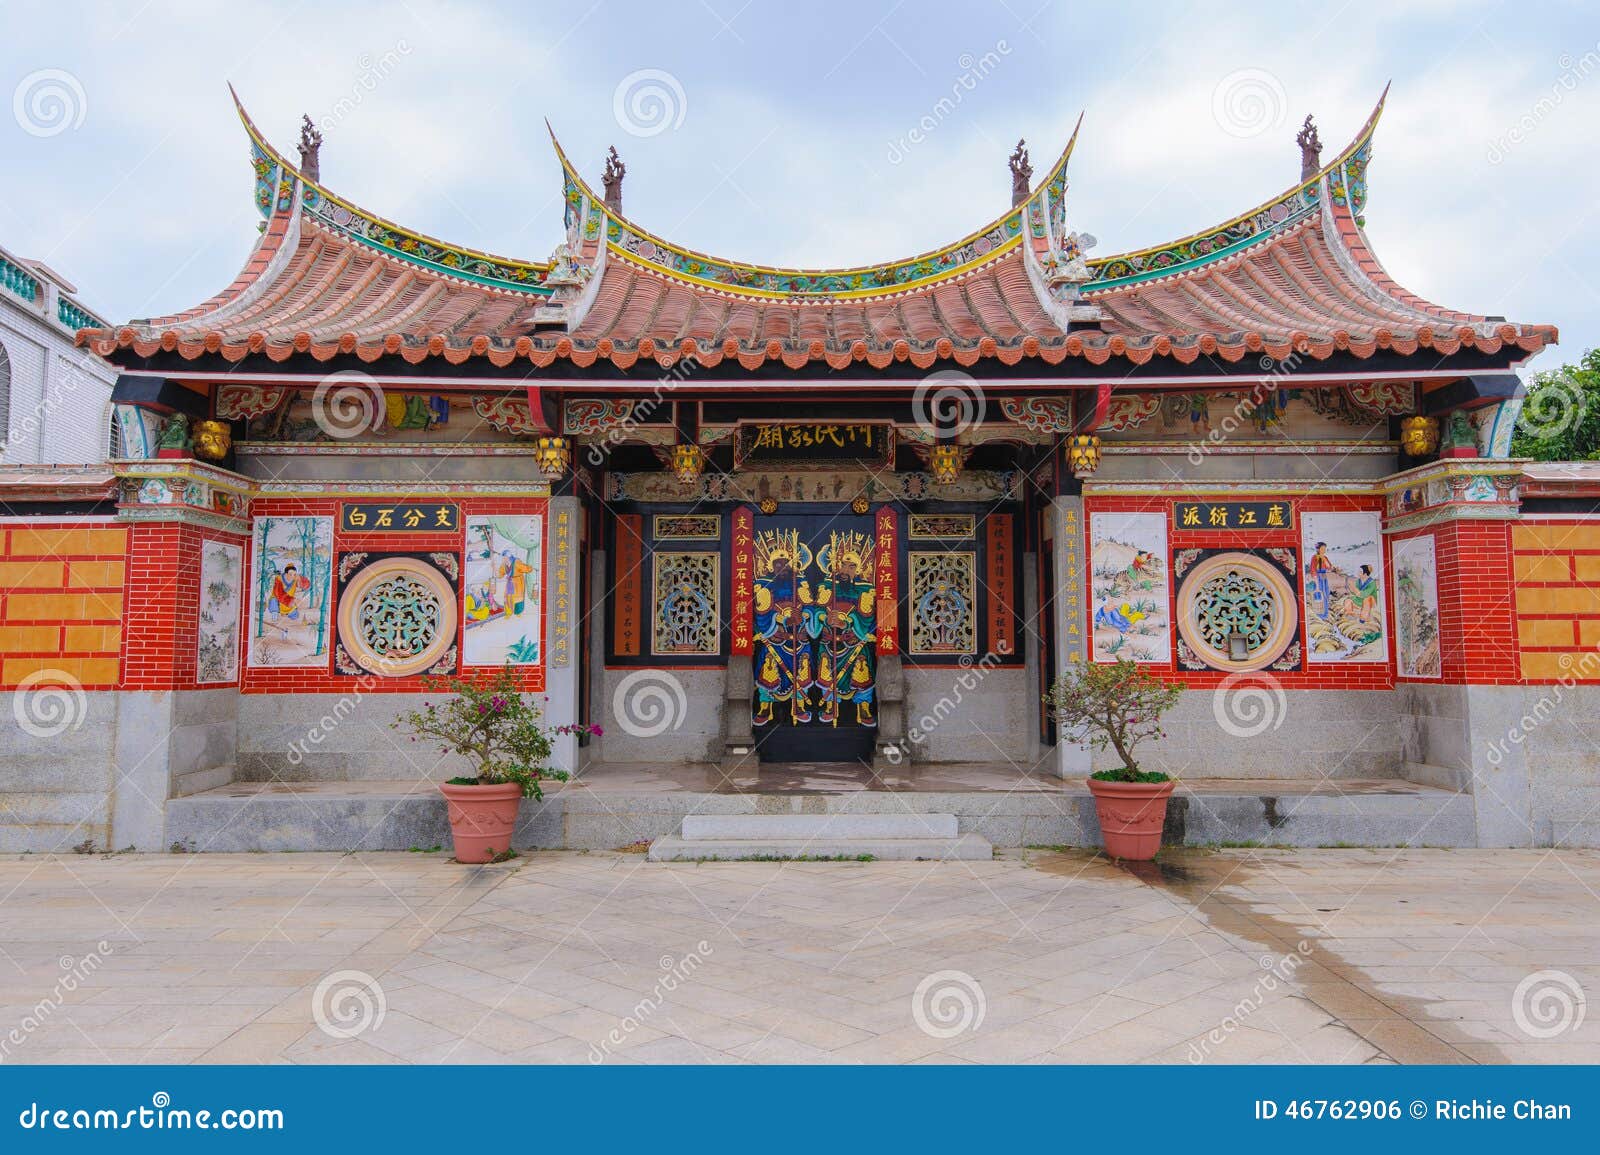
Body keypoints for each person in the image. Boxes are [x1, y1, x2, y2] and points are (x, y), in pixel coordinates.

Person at [268, 563, 311, 639]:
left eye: (294, 574)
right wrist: (291, 600)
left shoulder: (295, 578)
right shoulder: (279, 579)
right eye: (290, 574)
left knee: (295, 616)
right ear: (286, 573)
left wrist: (300, 580)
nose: (292, 576)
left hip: (288, 604)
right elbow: (279, 593)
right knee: (274, 604)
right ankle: (275, 616)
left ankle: (286, 630)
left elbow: (306, 585)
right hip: (279, 601)